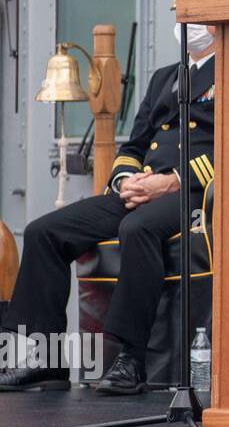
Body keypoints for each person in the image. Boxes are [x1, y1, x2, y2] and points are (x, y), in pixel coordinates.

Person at [0, 23, 217, 394]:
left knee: (138, 228)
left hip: (192, 191)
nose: (188, 24)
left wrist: (173, 181)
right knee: (43, 232)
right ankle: (41, 360)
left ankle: (131, 360)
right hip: (141, 188)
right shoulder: (165, 77)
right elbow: (133, 146)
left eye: (197, 15)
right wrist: (124, 181)